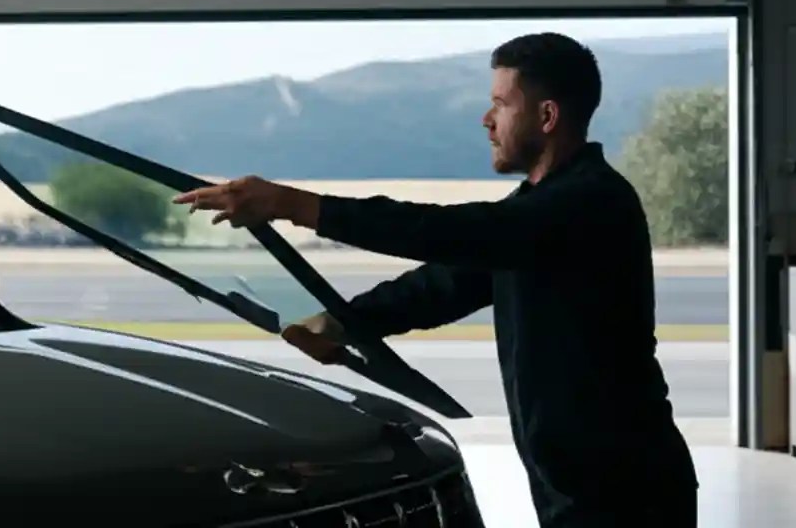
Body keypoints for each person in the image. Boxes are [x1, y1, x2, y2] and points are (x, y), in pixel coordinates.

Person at [173, 33, 699, 528]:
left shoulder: (588, 203)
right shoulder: (538, 212)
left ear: (546, 116)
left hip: (626, 487)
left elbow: (443, 232)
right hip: (575, 480)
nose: (486, 119)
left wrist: (293, 205)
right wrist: (341, 323)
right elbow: (444, 285)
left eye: (501, 103)